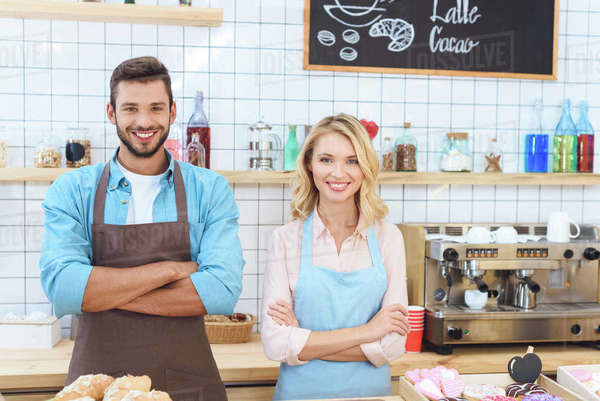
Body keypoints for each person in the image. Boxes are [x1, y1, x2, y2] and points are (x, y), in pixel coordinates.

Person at [40, 56, 244, 401]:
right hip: (95, 388)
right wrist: (169, 270)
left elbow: (221, 291)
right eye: (131, 108)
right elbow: (64, 289)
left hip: (187, 383)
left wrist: (103, 294)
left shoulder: (209, 189)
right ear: (111, 113)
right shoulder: (73, 189)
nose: (144, 121)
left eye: (156, 108)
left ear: (173, 113)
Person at [261, 113, 409, 400]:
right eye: (326, 159)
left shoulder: (388, 238)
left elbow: (394, 344)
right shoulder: (285, 240)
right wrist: (368, 332)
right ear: (309, 164)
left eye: (352, 161)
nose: (338, 173)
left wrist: (305, 339)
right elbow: (275, 343)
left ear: (365, 167)